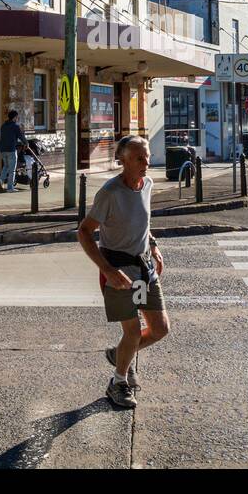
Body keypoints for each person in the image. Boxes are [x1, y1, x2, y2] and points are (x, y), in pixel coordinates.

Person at [76, 135, 169, 410]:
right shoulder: (110, 193)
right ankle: (118, 382)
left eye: (148, 156)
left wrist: (153, 245)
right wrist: (107, 270)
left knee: (160, 329)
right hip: (118, 271)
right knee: (131, 331)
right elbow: (83, 232)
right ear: (123, 160)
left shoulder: (147, 184)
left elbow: (142, 222)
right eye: (139, 158)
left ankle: (120, 355)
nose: (147, 162)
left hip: (143, 269)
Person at [0, 109, 28, 192]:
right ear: (14, 117)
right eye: (17, 117)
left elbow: (6, 137)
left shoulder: (3, 126)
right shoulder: (15, 127)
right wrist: (26, 143)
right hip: (11, 150)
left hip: (3, 149)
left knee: (6, 166)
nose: (17, 119)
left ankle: (1, 179)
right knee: (12, 170)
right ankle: (10, 188)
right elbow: (21, 136)